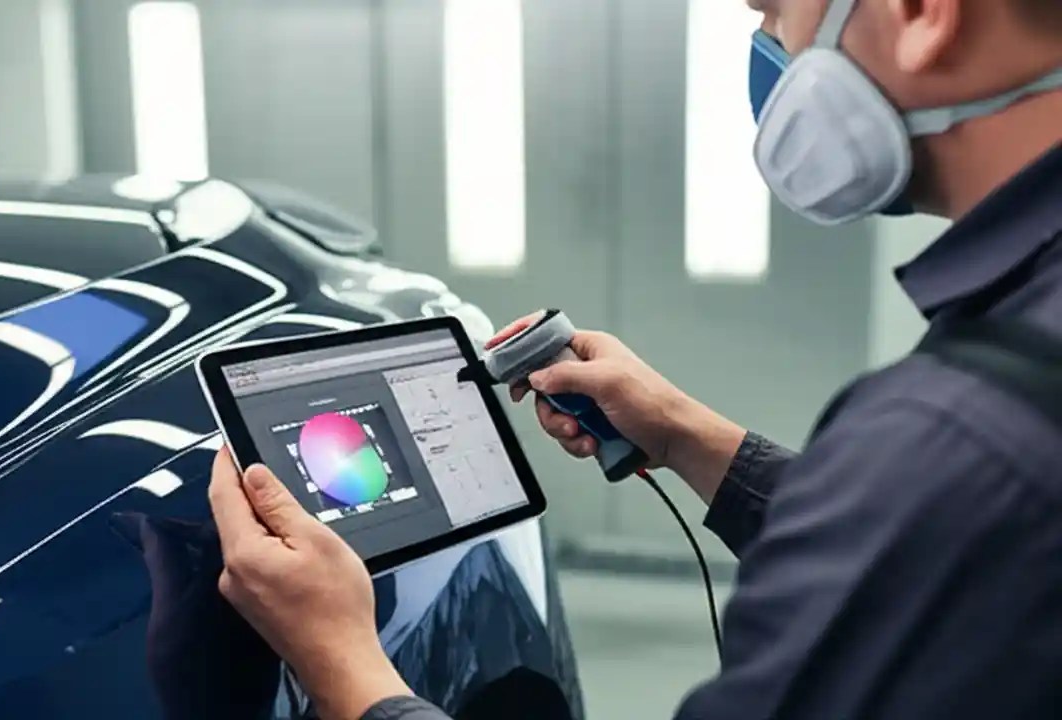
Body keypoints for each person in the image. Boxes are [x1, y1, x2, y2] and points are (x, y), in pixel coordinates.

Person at [197, 0, 1062, 718]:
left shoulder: (957, 443)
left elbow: (942, 517)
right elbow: (931, 562)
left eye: (781, 8)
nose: (767, 37)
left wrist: (344, 663)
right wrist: (686, 435)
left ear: (922, 13)